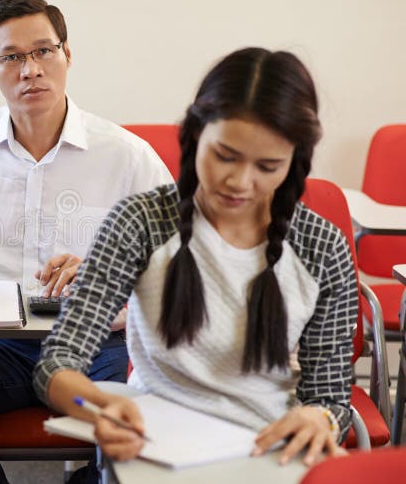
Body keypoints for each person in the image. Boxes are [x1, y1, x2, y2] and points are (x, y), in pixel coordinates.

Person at [35, 47, 356, 470]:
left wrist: (321, 418)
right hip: (152, 448)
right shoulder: (142, 222)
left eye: (268, 166)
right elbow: (55, 364)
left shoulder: (322, 246)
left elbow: (331, 398)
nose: (241, 182)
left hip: (269, 450)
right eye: (225, 155)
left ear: (295, 162)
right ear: (193, 133)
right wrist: (93, 404)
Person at [0, 0, 172, 482]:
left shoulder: (126, 155)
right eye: (12, 57)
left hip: (100, 345)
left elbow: (178, 260)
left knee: (149, 410)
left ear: (67, 55)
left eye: (43, 51)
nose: (30, 70)